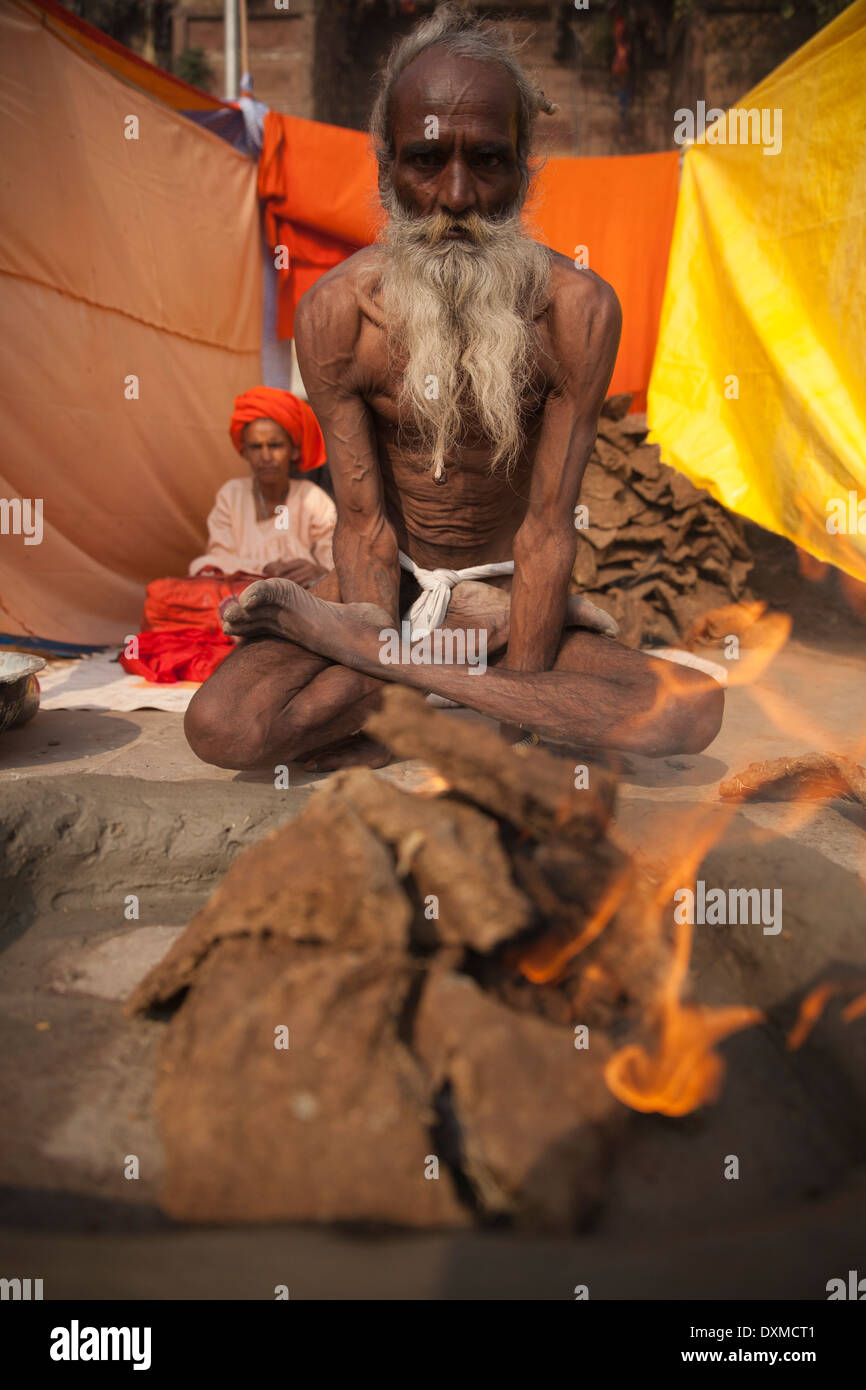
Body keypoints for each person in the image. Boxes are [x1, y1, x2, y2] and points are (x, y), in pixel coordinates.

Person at [185, 3, 723, 772]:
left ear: (525, 165)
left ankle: (417, 686)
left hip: (510, 606)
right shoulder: (338, 315)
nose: (458, 196)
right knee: (224, 727)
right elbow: (366, 527)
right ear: (387, 171)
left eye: (489, 160)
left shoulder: (578, 311)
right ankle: (431, 682)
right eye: (427, 161)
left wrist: (517, 717)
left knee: (694, 712)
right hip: (387, 589)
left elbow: (544, 529)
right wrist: (376, 634)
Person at [189, 387, 336, 588]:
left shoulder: (313, 498)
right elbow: (218, 559)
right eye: (256, 447)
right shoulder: (231, 495)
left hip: (303, 599)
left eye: (275, 446)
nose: (266, 457)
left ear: (293, 450)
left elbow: (334, 560)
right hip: (240, 597)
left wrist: (320, 571)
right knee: (201, 565)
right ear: (245, 452)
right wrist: (264, 569)